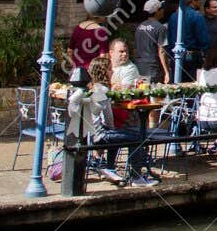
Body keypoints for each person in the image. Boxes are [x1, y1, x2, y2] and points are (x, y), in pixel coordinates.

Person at [53, 56, 154, 187]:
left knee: (118, 135)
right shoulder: (103, 90)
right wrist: (114, 129)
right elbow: (108, 119)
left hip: (90, 135)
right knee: (137, 138)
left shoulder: (94, 88)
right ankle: (136, 177)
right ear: (104, 72)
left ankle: (110, 169)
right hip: (99, 135)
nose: (113, 72)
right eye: (110, 69)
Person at [171, 0, 209, 82]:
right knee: (193, 85)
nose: (200, 3)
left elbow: (170, 38)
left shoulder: (173, 16)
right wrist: (205, 54)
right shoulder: (197, 16)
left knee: (177, 85)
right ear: (193, 1)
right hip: (193, 58)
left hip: (175, 56)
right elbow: (203, 39)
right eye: (198, 0)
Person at [133, 0, 169, 82]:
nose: (163, 10)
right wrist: (166, 72)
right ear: (157, 11)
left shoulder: (139, 27)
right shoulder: (160, 28)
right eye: (161, 8)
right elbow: (162, 51)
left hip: (140, 67)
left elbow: (135, 49)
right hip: (154, 68)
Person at [68, 10, 111, 75]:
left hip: (76, 72)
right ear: (98, 15)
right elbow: (104, 56)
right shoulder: (100, 31)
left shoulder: (77, 28)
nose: (106, 16)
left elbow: (69, 51)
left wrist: (74, 67)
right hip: (92, 73)